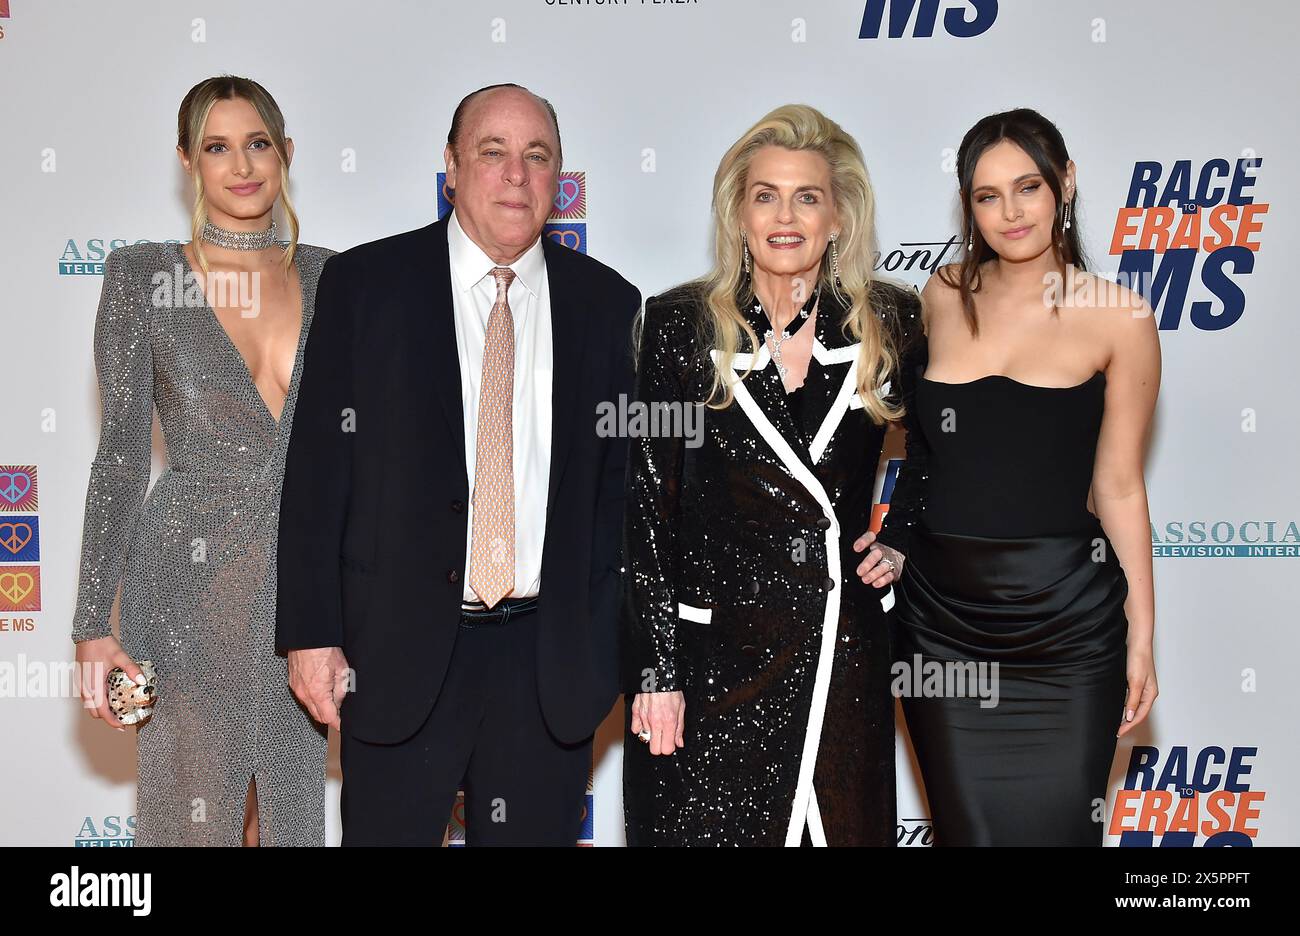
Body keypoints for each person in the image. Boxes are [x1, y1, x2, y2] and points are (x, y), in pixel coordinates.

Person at [275, 83, 641, 846]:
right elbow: (316, 474)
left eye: (537, 156)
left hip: (548, 667)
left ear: (559, 177)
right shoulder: (366, 286)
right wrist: (311, 633)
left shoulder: (608, 305)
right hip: (396, 654)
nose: (517, 174)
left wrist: (611, 646)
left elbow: (617, 499)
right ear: (450, 166)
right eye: (493, 152)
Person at [621, 104, 916, 846]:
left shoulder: (891, 321)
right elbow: (648, 508)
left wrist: (902, 533)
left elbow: (953, 450)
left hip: (839, 655)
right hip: (715, 659)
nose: (786, 217)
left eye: (807, 196)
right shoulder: (681, 326)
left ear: (839, 216)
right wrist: (656, 672)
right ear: (739, 215)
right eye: (766, 195)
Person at [870, 107, 1161, 846]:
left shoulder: (1120, 318)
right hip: (942, 625)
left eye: (1027, 187)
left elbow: (1120, 486)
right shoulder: (941, 292)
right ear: (967, 203)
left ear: (1065, 182)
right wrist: (897, 538)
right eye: (987, 195)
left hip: (1066, 626)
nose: (1010, 212)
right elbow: (926, 451)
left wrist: (1143, 638)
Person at [72, 75, 333, 846]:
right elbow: (120, 459)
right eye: (217, 146)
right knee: (196, 824)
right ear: (187, 160)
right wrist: (92, 622)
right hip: (185, 593)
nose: (241, 165)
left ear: (286, 153)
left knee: (287, 818)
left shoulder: (333, 276)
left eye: (258, 143)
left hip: (302, 597)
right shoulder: (142, 277)